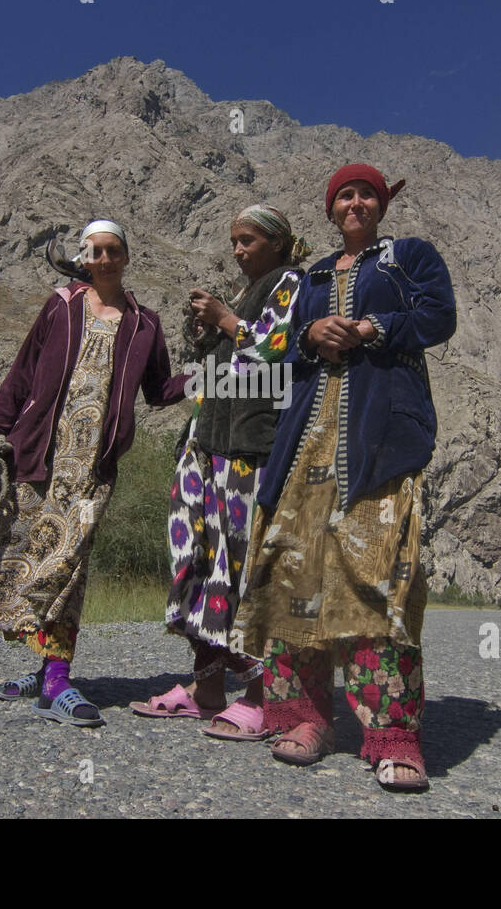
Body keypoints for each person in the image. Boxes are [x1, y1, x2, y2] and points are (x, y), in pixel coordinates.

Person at [233, 165, 457, 790]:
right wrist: (310, 333)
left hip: (378, 436)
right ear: (331, 210)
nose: (355, 202)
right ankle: (305, 719)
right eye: (344, 196)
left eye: (366, 194)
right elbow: (273, 346)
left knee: (376, 574)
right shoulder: (310, 276)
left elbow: (438, 317)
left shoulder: (409, 257)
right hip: (305, 442)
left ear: (381, 205)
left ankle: (392, 734)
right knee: (294, 568)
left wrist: (369, 328)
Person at [0, 219, 187, 727]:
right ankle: (46, 664)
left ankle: (56, 679)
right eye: (94, 251)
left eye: (113, 250)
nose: (104, 259)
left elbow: (160, 391)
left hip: (91, 467)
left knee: (67, 566)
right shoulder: (62, 305)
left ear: (125, 256)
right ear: (84, 257)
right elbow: (22, 371)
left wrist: (210, 373)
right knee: (19, 553)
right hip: (39, 453)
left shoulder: (145, 324)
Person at [130, 205, 310, 740]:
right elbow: (218, 366)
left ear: (278, 243)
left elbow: (273, 351)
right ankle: (206, 687)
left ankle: (260, 696)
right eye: (233, 241)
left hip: (250, 450)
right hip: (207, 443)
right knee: (199, 560)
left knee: (245, 567)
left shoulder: (292, 285)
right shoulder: (241, 294)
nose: (238, 250)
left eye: (248, 240)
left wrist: (228, 322)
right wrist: (210, 328)